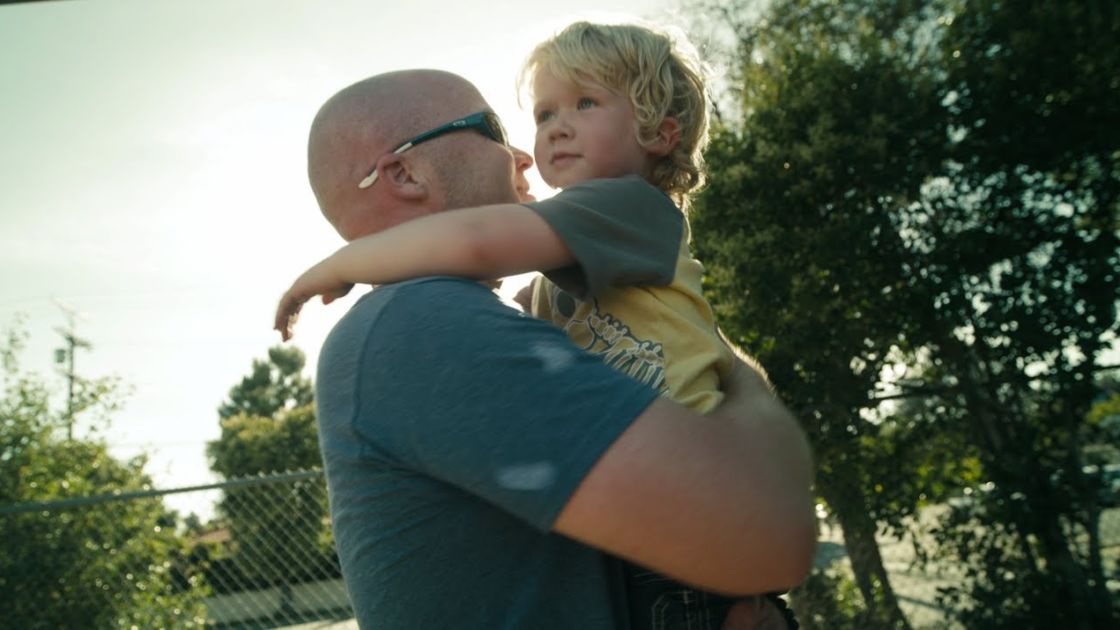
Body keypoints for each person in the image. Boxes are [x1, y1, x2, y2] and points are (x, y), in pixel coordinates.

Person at [277, 22, 800, 628]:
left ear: (659, 133)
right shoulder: (420, 323)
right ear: (405, 174)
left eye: (585, 104)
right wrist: (741, 383)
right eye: (498, 129)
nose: (530, 149)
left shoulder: (622, 210)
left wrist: (343, 263)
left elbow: (480, 240)